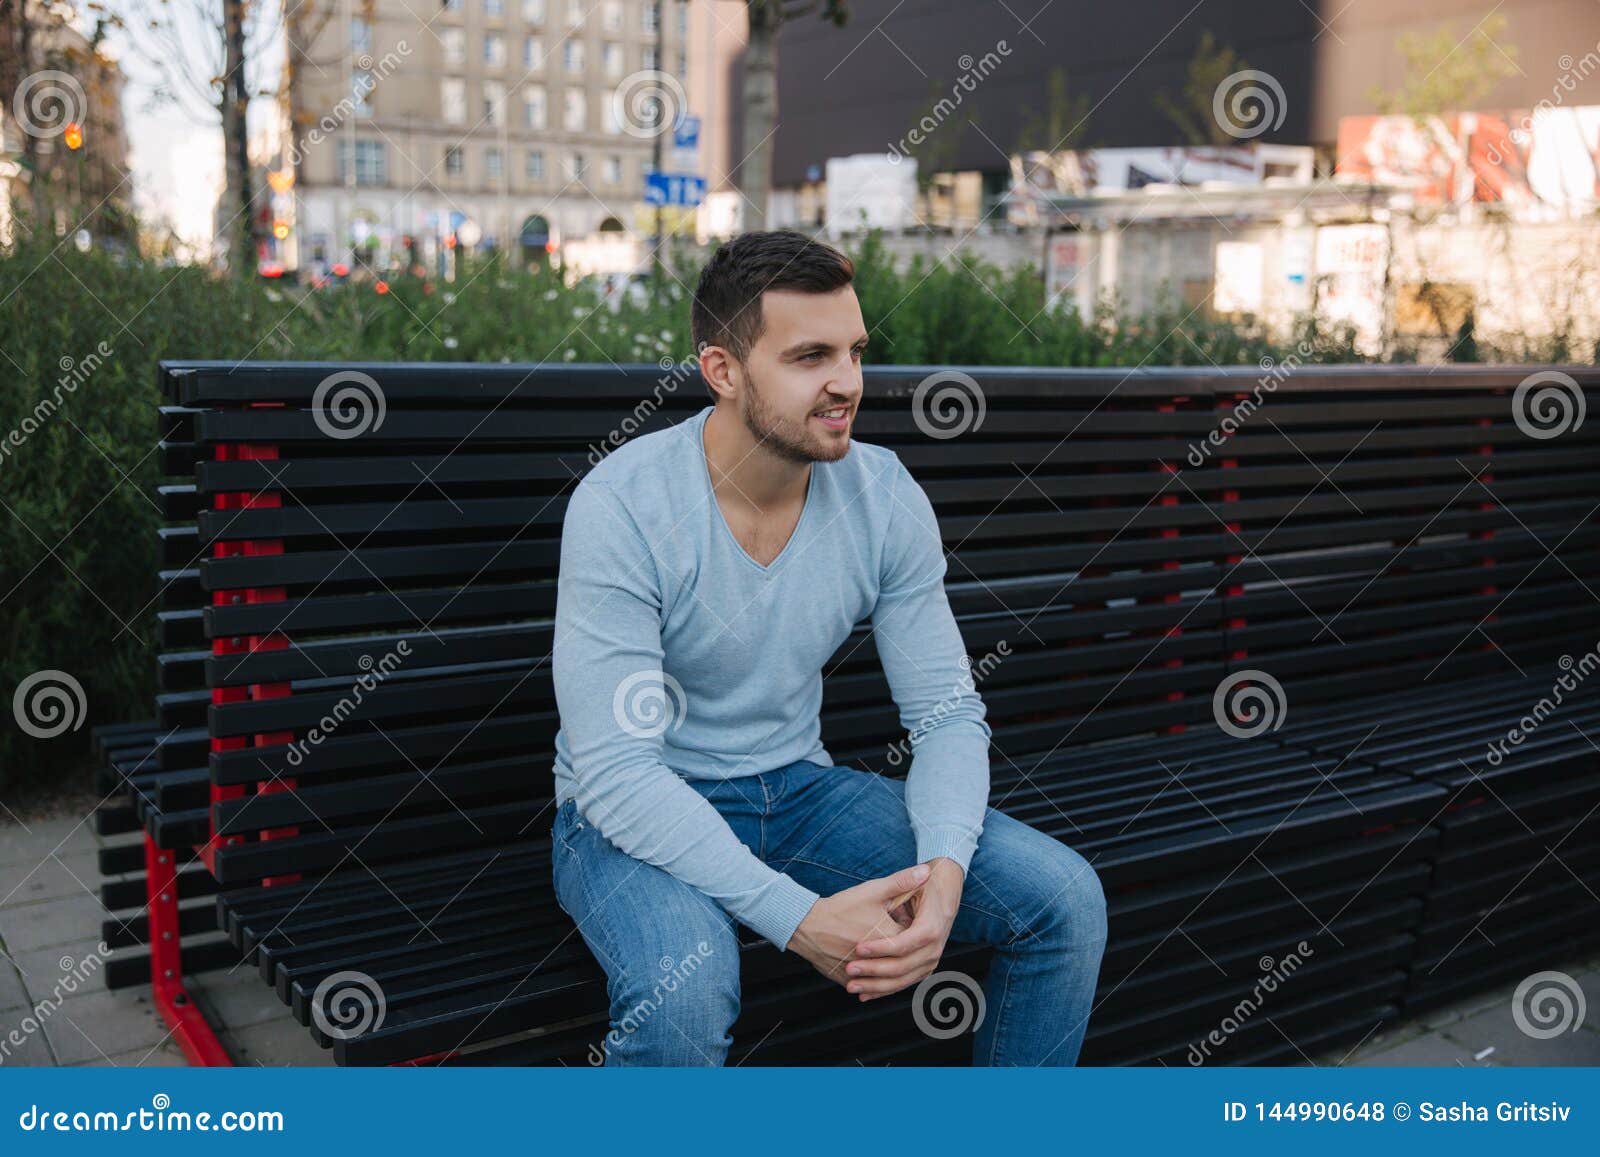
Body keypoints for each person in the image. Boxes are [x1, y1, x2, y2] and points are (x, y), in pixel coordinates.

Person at [550, 229, 1107, 1066]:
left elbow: (949, 713)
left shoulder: (881, 493)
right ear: (724, 371)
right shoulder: (624, 505)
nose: (846, 382)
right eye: (810, 356)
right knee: (687, 988)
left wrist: (946, 869)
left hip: (798, 792)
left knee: (1062, 899)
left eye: (854, 351)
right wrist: (799, 920)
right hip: (625, 816)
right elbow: (619, 775)